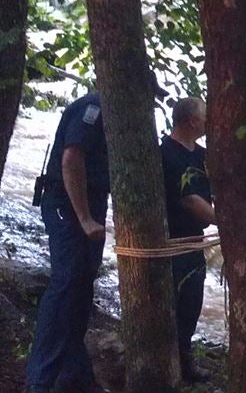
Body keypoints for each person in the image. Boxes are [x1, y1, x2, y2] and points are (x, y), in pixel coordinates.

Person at [26, 78, 166, 393]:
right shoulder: (96, 108)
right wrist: (85, 218)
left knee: (80, 287)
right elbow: (71, 160)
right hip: (66, 201)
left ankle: (74, 376)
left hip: (91, 202)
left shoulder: (119, 119)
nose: (149, 103)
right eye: (148, 94)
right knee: (67, 284)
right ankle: (39, 380)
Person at [160, 97, 215, 383]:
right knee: (177, 305)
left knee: (192, 304)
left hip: (195, 240)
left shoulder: (202, 155)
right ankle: (175, 366)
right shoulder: (167, 153)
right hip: (172, 244)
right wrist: (229, 224)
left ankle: (184, 362)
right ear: (191, 121)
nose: (209, 119)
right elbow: (191, 200)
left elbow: (211, 193)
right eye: (205, 114)